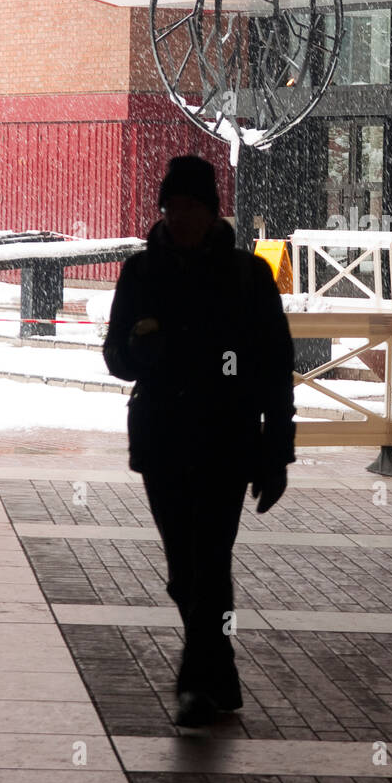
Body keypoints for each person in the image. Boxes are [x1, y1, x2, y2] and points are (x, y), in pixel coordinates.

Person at [103, 155, 295, 728]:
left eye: (189, 206)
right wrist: (141, 351)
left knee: (209, 560)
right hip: (162, 439)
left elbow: (274, 369)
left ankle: (195, 683)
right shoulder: (141, 273)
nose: (177, 217)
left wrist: (276, 452)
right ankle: (220, 667)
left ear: (212, 212)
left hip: (225, 440)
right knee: (183, 569)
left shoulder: (247, 277)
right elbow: (116, 358)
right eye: (170, 206)